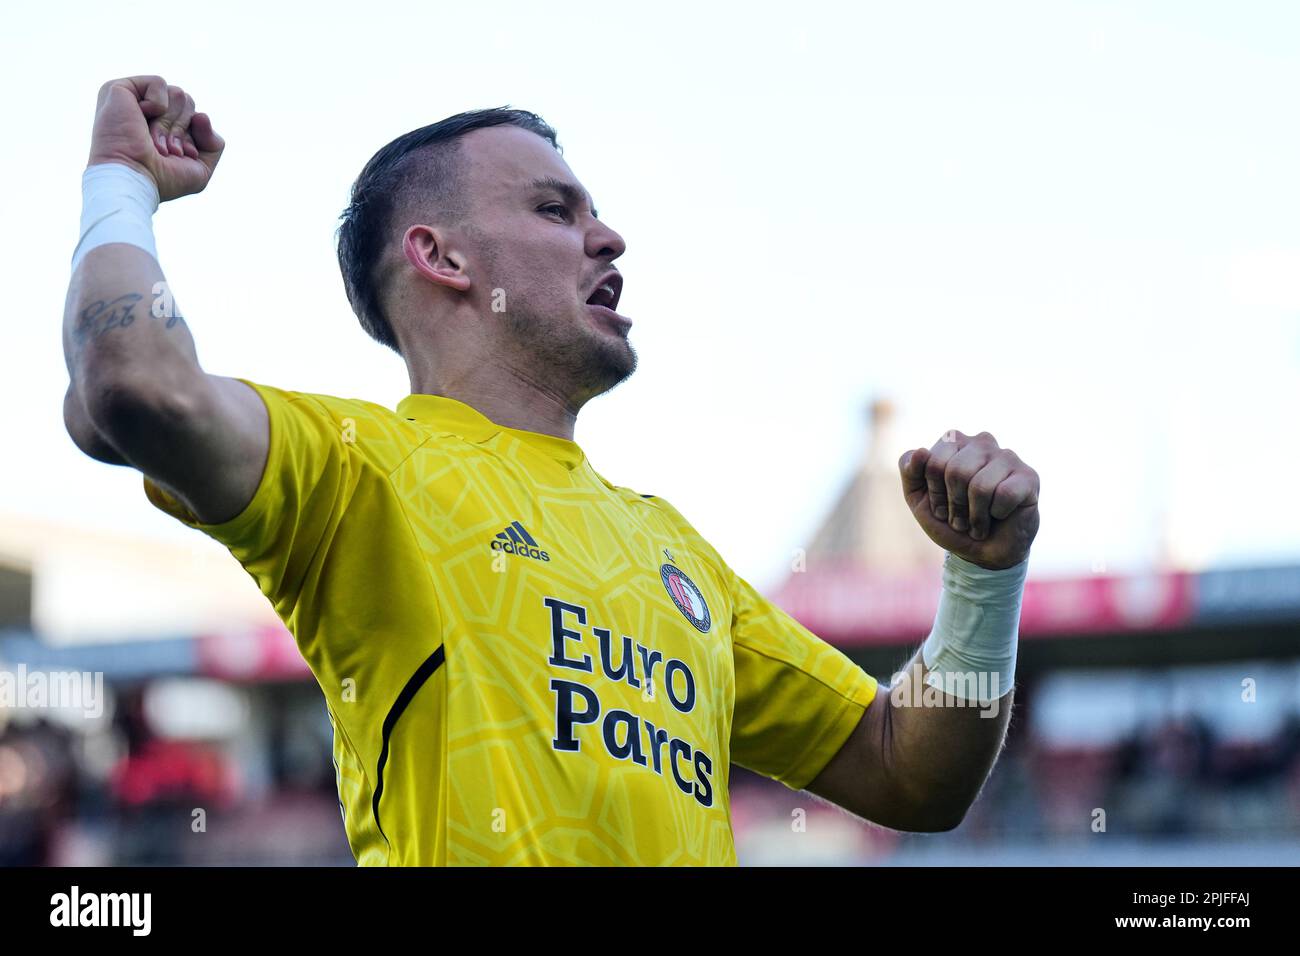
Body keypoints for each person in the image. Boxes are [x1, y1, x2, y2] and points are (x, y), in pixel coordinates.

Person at [62, 75, 1041, 865]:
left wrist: (983, 579)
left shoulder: (672, 550)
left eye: (597, 214)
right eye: (552, 207)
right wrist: (120, 184)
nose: (607, 237)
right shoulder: (358, 468)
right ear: (440, 257)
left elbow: (911, 775)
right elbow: (139, 383)